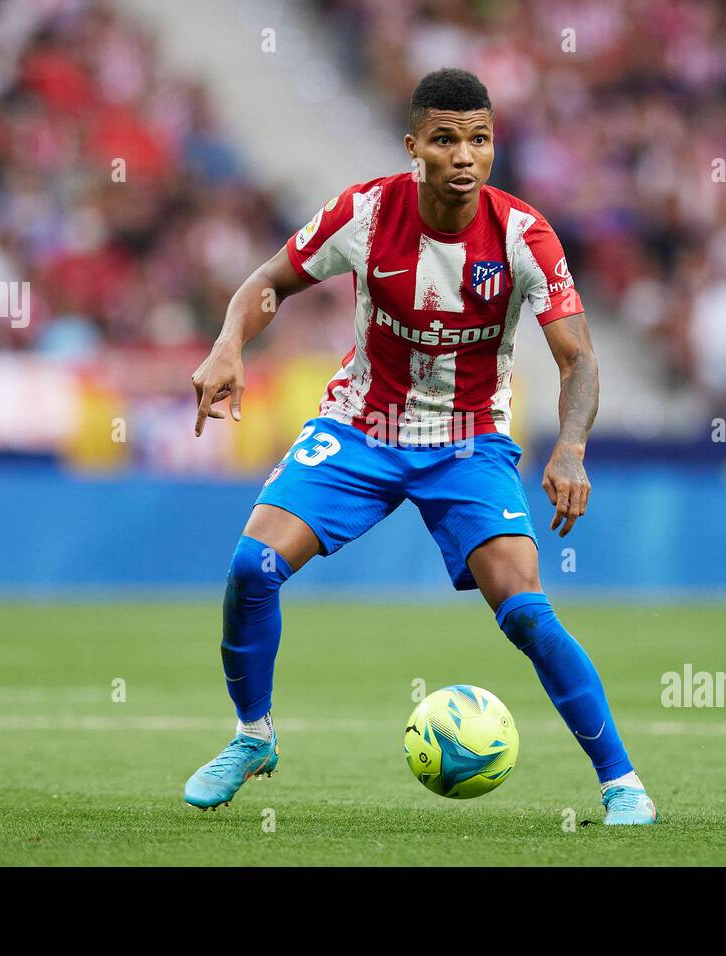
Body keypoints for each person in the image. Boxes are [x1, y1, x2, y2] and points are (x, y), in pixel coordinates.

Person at [183, 68, 655, 825]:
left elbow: (580, 359)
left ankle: (622, 782)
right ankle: (252, 736)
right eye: (445, 140)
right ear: (414, 148)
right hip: (361, 427)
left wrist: (570, 447)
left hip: (469, 442)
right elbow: (269, 279)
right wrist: (229, 343)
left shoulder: (523, 235)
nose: (464, 156)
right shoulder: (367, 214)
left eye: (479, 139)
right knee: (252, 566)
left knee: (527, 613)